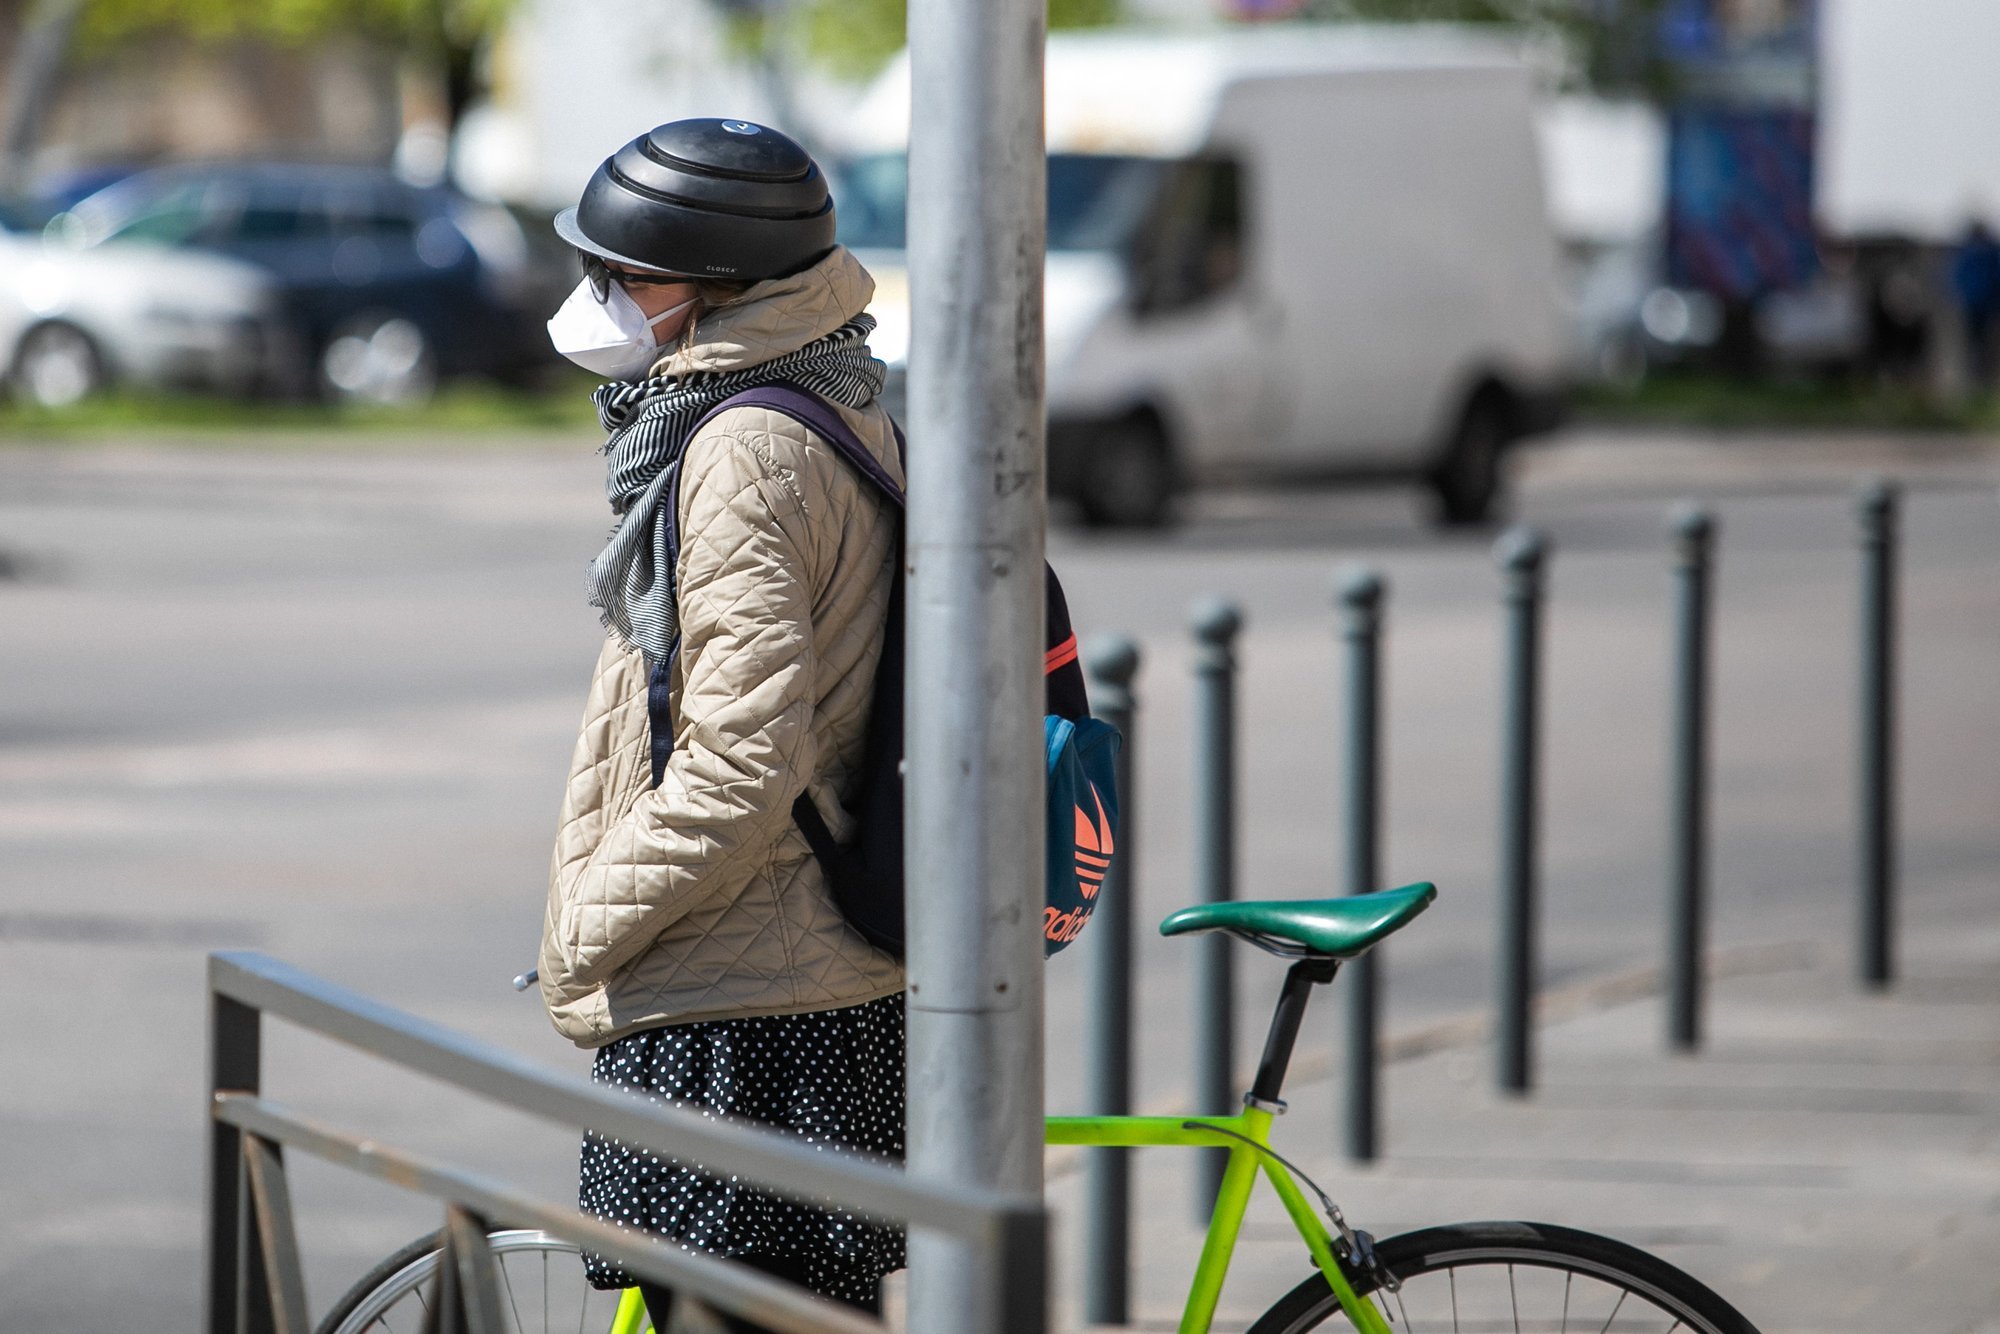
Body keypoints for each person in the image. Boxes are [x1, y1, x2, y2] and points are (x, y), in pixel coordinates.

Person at [535, 117, 906, 1332]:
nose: (595, 296)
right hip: (796, 975)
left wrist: (589, 921)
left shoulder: (744, 446)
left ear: (715, 283)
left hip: (742, 1010)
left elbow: (740, 763)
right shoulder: (832, 395)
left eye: (620, 273)